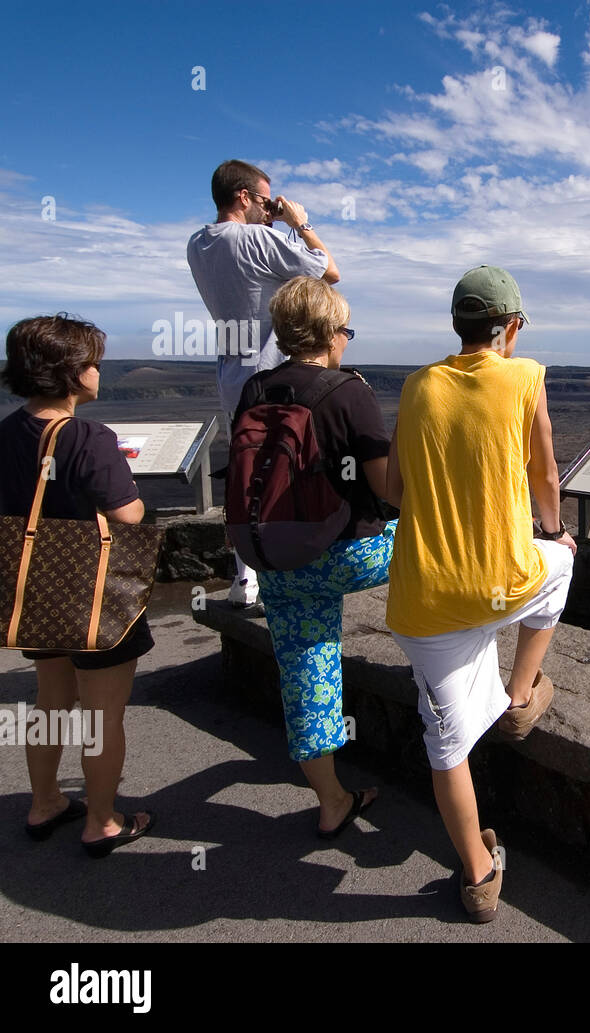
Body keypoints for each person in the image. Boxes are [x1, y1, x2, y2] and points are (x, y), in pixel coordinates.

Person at [386, 265, 576, 922]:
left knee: (447, 744)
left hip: (424, 600)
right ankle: (521, 694)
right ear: (511, 327)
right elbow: (546, 474)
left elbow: (394, 490)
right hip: (502, 588)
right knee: (561, 565)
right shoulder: (526, 378)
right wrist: (554, 532)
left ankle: (477, 878)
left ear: (458, 327)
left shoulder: (416, 386)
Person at [237, 277, 393, 838]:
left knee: (307, 670)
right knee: (433, 534)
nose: (348, 340)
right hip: (347, 553)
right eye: (346, 330)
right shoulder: (347, 390)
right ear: (329, 333)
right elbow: (389, 490)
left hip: (275, 553)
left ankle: (332, 801)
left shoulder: (255, 390)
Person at [0, 314, 156, 857]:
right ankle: (103, 820)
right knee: (101, 713)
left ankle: (44, 802)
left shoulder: (7, 432)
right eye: (91, 361)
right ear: (69, 372)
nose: (98, 370)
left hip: (34, 589)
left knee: (50, 700)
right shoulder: (89, 437)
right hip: (93, 595)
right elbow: (129, 515)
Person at [187, 159, 341, 610]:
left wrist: (272, 225)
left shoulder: (197, 243)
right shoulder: (259, 238)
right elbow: (328, 272)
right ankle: (289, 566)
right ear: (242, 197)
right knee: (287, 469)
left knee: (244, 471)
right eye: (262, 199)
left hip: (232, 374)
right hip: (273, 373)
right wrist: (300, 223)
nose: (267, 207)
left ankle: (244, 578)